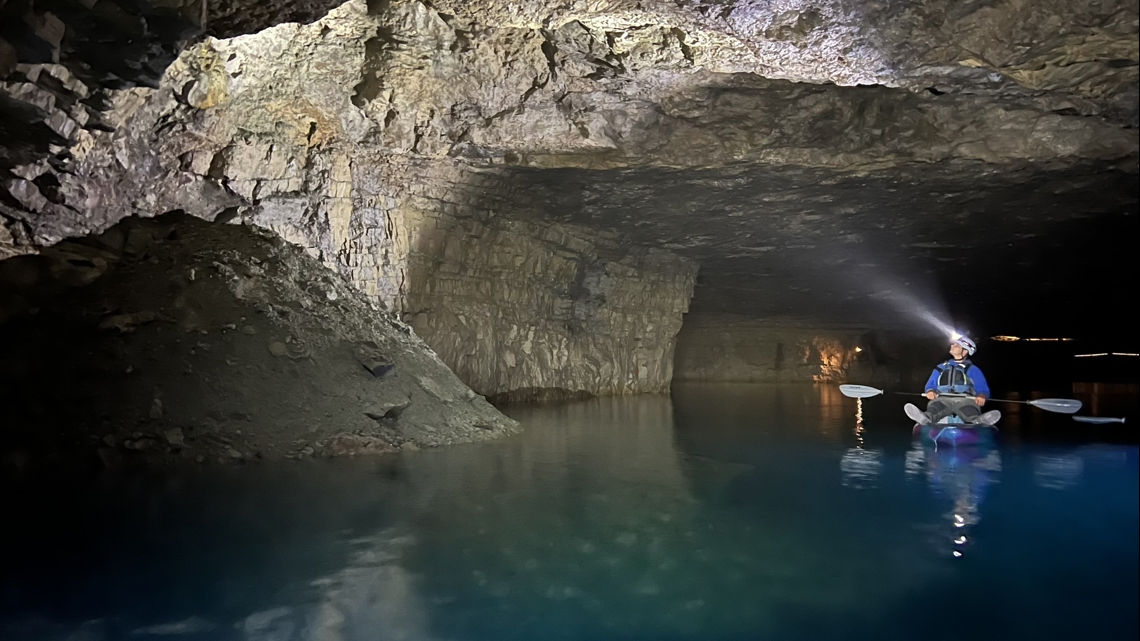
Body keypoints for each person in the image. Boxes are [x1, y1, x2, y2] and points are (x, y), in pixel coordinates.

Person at [905, 336, 998, 425]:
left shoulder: (973, 369)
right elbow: (930, 384)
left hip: (965, 400)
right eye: (953, 344)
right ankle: (925, 418)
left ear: (965, 351)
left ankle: (977, 422)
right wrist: (930, 391)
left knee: (969, 411)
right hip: (942, 399)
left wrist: (982, 395)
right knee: (934, 409)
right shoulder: (941, 367)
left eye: (956, 345)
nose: (952, 346)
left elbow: (983, 388)